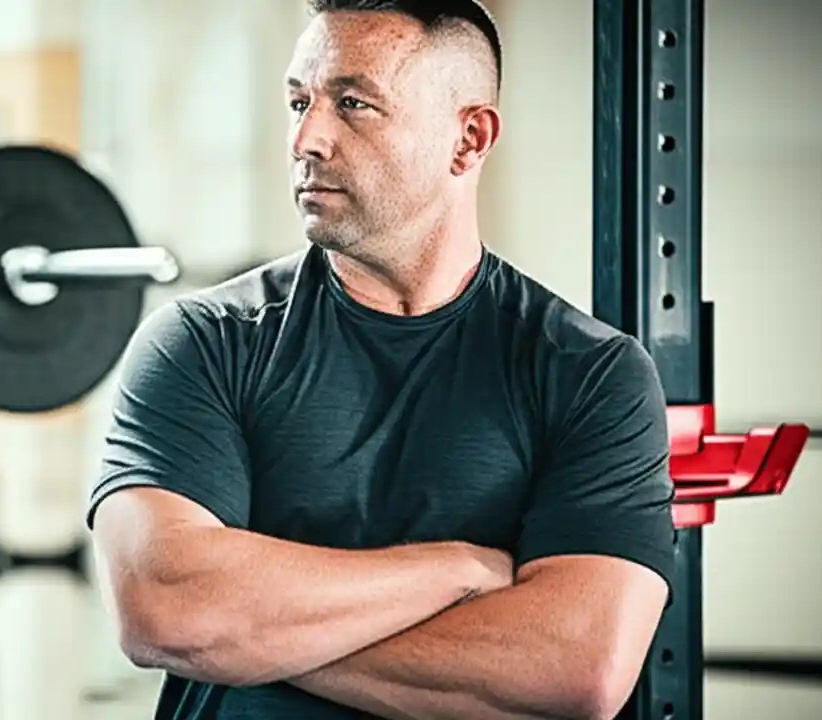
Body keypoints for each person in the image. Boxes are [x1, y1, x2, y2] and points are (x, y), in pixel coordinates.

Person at [87, 1, 676, 719]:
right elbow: (166, 608)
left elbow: (580, 668)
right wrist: (457, 569)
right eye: (298, 101)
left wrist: (250, 633)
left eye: (354, 104)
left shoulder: (589, 375)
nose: (306, 138)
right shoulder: (203, 342)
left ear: (468, 138)